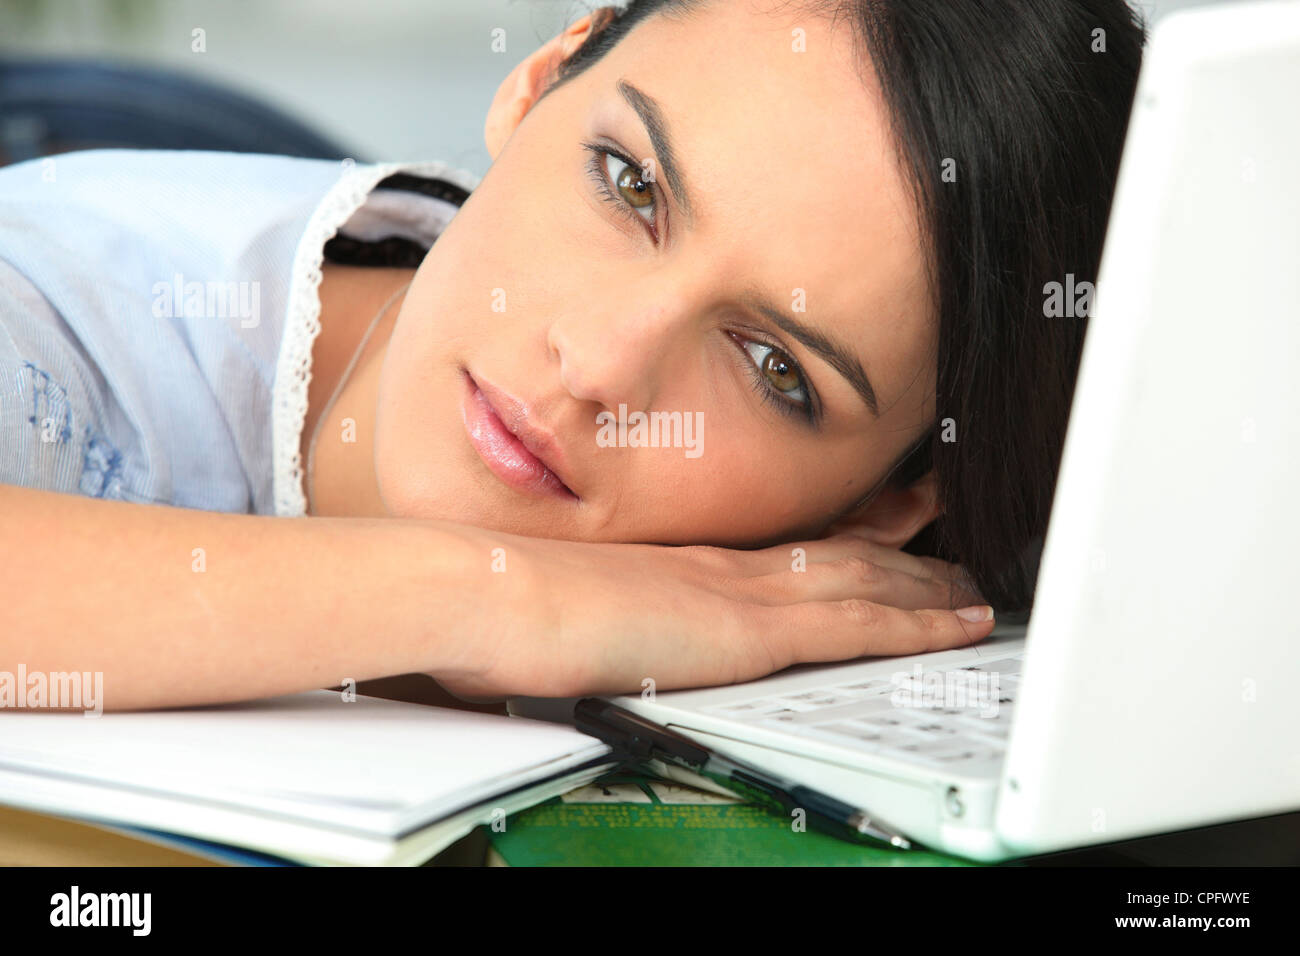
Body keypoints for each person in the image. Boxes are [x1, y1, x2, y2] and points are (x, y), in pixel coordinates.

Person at [0, 0, 1145, 712]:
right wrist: (490, 598)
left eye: (772, 366)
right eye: (629, 183)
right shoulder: (53, 312)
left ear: (883, 506)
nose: (600, 362)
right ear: (539, 80)